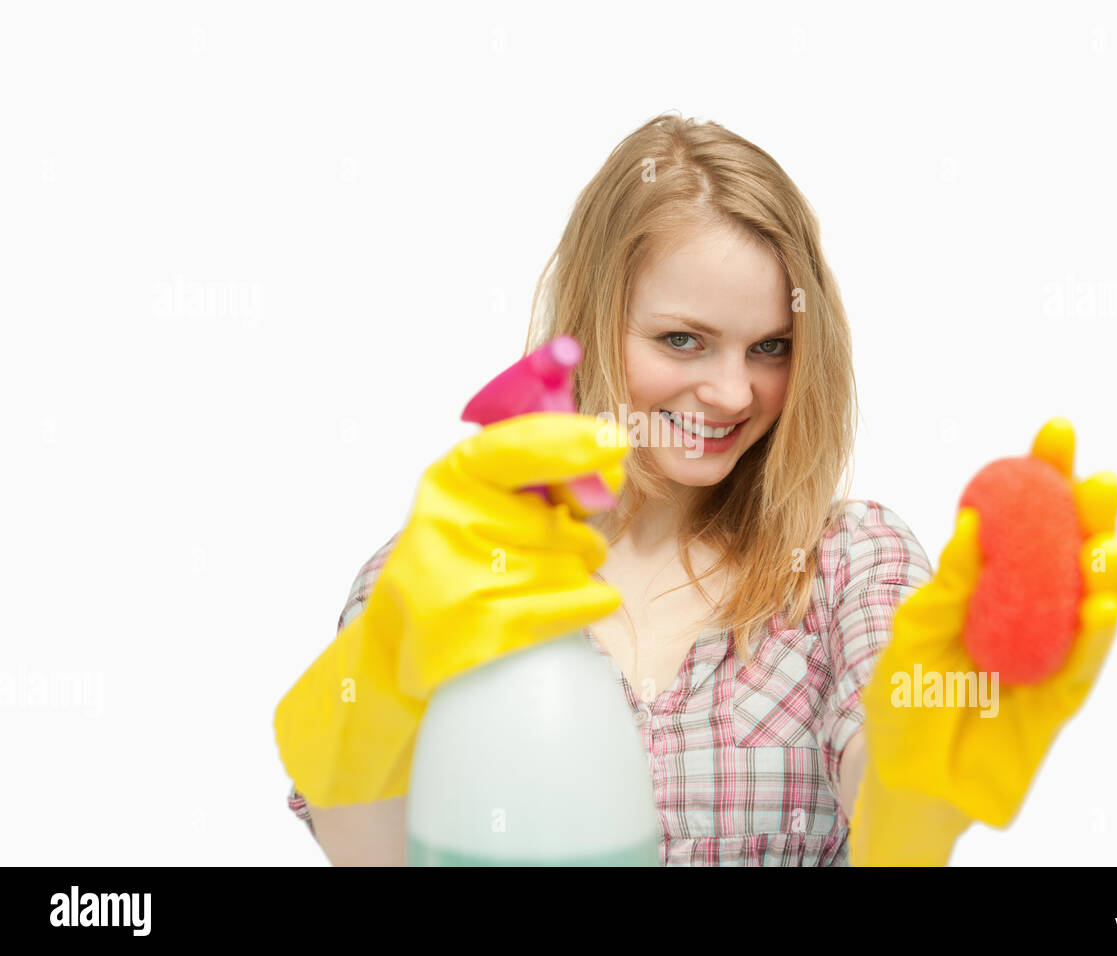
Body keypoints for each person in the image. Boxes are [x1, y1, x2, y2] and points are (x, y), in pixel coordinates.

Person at [284, 112, 934, 865]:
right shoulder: (447, 573)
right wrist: (385, 661)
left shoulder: (851, 566)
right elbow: (373, 856)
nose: (731, 392)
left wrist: (933, 751)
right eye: (681, 339)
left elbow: (892, 785)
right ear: (593, 317)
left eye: (770, 348)